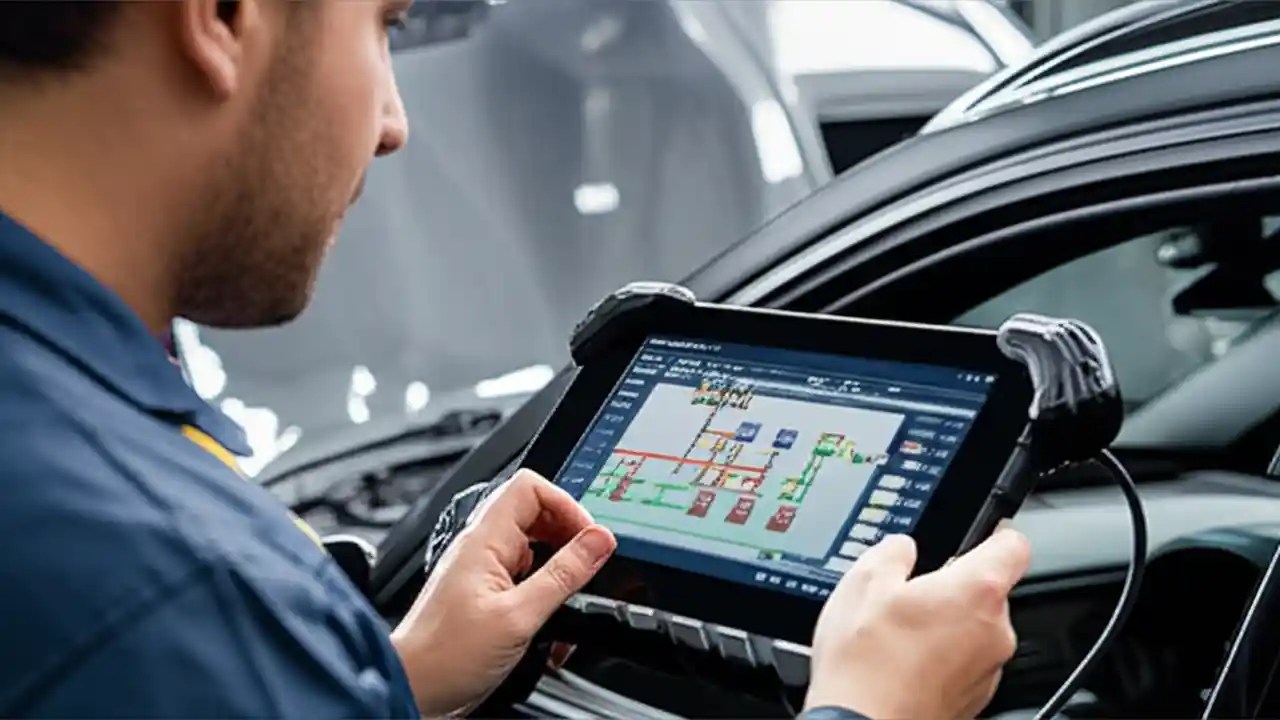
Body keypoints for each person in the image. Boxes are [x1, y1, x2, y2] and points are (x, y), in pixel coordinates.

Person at [0, 1, 1032, 718]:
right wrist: (867, 710)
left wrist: (397, 683)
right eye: (384, 27)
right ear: (220, 14)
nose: (395, 124)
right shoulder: (166, 584)